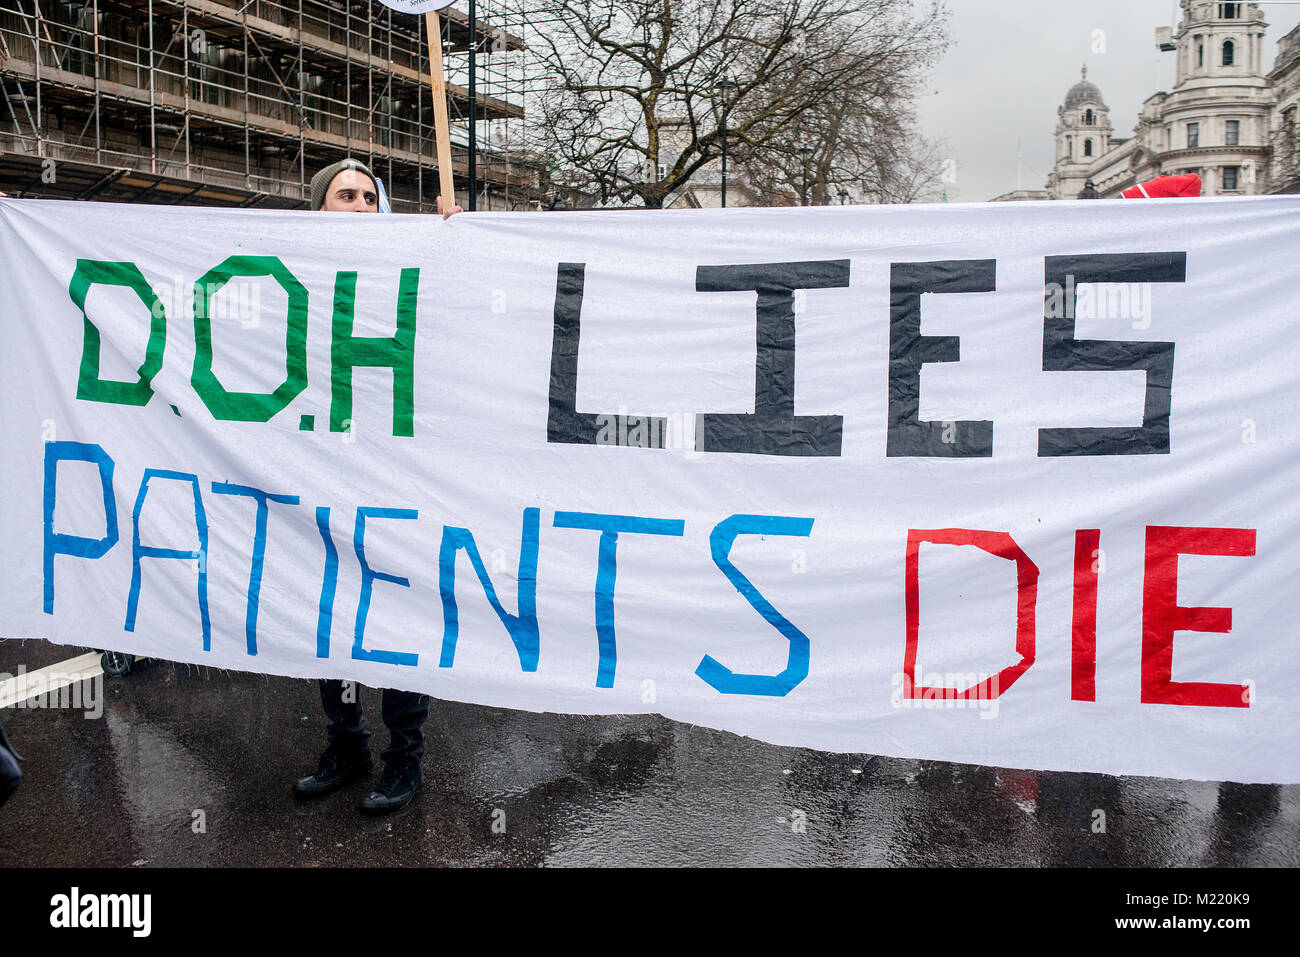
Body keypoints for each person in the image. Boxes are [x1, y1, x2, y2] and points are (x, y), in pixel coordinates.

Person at [293, 157, 460, 814]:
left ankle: (403, 759)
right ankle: (347, 744)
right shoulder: (295, 275)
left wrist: (455, 240)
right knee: (330, 620)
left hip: (396, 477)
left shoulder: (413, 268)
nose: (361, 205)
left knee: (395, 618)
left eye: (370, 196)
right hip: (321, 473)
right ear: (319, 208)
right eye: (346, 195)